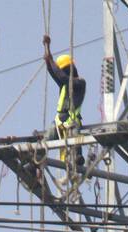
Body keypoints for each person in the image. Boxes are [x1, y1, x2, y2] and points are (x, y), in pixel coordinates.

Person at [42, 34, 86, 168]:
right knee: (44, 142)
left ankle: (78, 157)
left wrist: (51, 59)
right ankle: (35, 163)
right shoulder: (64, 84)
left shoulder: (79, 83)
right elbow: (53, 71)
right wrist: (47, 49)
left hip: (71, 121)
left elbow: (61, 76)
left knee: (74, 136)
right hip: (58, 121)